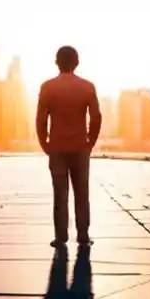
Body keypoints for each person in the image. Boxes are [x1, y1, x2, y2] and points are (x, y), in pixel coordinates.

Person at [36, 45, 102, 248]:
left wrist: (44, 143)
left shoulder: (47, 87)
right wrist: (90, 142)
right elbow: (96, 117)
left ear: (57, 62)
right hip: (80, 147)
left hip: (57, 147)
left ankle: (60, 236)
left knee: (60, 194)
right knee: (82, 192)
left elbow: (41, 119)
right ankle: (83, 235)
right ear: (77, 63)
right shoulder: (87, 87)